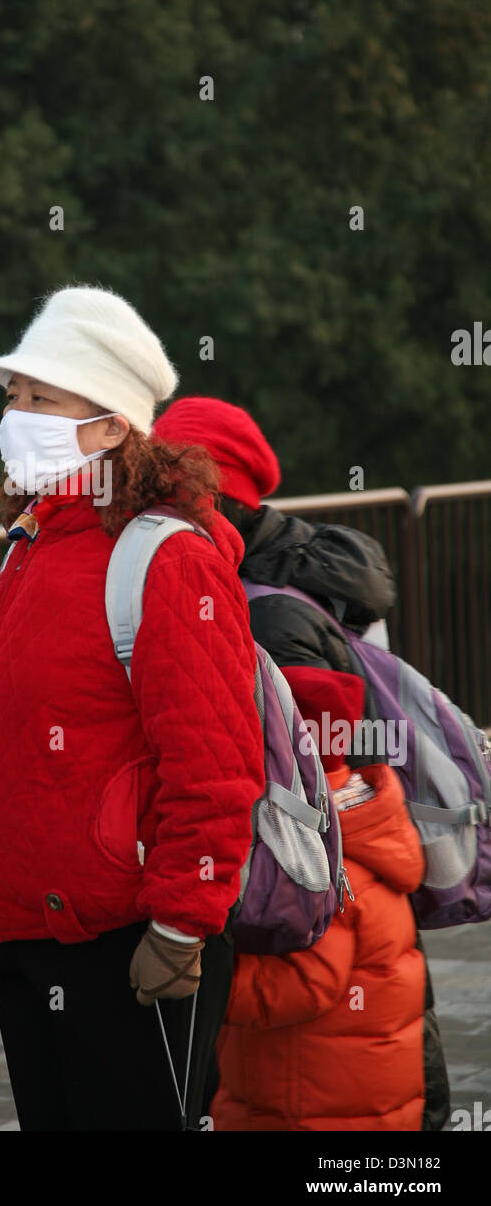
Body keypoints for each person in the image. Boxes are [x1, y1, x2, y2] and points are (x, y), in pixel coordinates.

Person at [0, 288, 265, 1131]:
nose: (15, 415)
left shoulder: (167, 558)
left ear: (115, 424)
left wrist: (183, 922)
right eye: (11, 397)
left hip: (127, 948)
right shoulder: (32, 546)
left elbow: (217, 762)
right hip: (26, 941)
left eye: (40, 398)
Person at [151, 395, 451, 1130]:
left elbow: (308, 957)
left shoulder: (262, 615)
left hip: (326, 1078)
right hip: (367, 1024)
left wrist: (194, 973)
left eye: (163, 483)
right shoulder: (299, 575)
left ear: (211, 492)